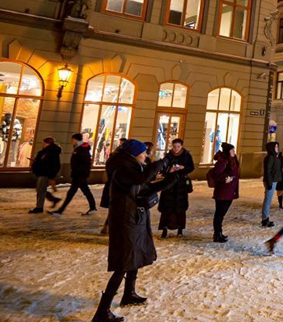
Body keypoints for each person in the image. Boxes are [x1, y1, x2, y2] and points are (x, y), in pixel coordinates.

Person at [91, 139, 181, 322]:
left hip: (135, 218)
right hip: (125, 220)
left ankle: (129, 293)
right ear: (134, 154)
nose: (146, 155)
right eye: (144, 152)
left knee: (135, 255)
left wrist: (171, 177)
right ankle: (103, 310)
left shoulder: (135, 168)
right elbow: (141, 179)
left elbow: (147, 186)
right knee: (124, 263)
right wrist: (161, 163)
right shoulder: (122, 169)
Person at [50, 133, 97, 216]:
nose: (71, 141)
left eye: (72, 139)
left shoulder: (82, 149)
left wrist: (80, 172)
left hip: (79, 175)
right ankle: (93, 207)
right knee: (86, 191)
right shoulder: (79, 148)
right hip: (79, 174)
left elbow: (85, 163)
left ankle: (60, 211)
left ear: (75, 139)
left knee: (71, 193)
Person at [157, 139, 195, 238]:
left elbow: (191, 167)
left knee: (180, 208)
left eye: (178, 147)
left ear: (181, 146)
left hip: (181, 185)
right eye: (174, 147)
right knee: (167, 208)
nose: (176, 149)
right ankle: (164, 229)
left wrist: (183, 168)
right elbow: (163, 169)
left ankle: (180, 229)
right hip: (169, 185)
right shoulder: (168, 156)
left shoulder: (186, 156)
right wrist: (170, 170)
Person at [211, 142, 239, 243]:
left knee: (221, 213)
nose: (234, 152)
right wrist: (225, 178)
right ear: (228, 151)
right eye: (232, 150)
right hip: (222, 191)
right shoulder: (223, 161)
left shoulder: (233, 160)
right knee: (219, 213)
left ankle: (219, 233)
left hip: (229, 191)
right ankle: (217, 234)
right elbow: (216, 174)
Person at [29, 137, 62, 213]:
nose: (42, 144)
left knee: (41, 190)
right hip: (41, 173)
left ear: (48, 143)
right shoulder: (46, 151)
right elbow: (42, 161)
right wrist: (35, 161)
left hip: (45, 173)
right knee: (40, 189)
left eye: (44, 143)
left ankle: (39, 207)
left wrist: (51, 176)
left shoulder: (52, 152)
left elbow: (53, 165)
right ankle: (53, 199)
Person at [261, 142, 281, 227]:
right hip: (271, 181)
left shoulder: (274, 156)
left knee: (268, 199)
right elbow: (267, 171)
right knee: (268, 200)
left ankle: (266, 218)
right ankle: (265, 219)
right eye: (276, 147)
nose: (277, 148)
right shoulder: (270, 157)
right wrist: (269, 182)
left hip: (273, 180)